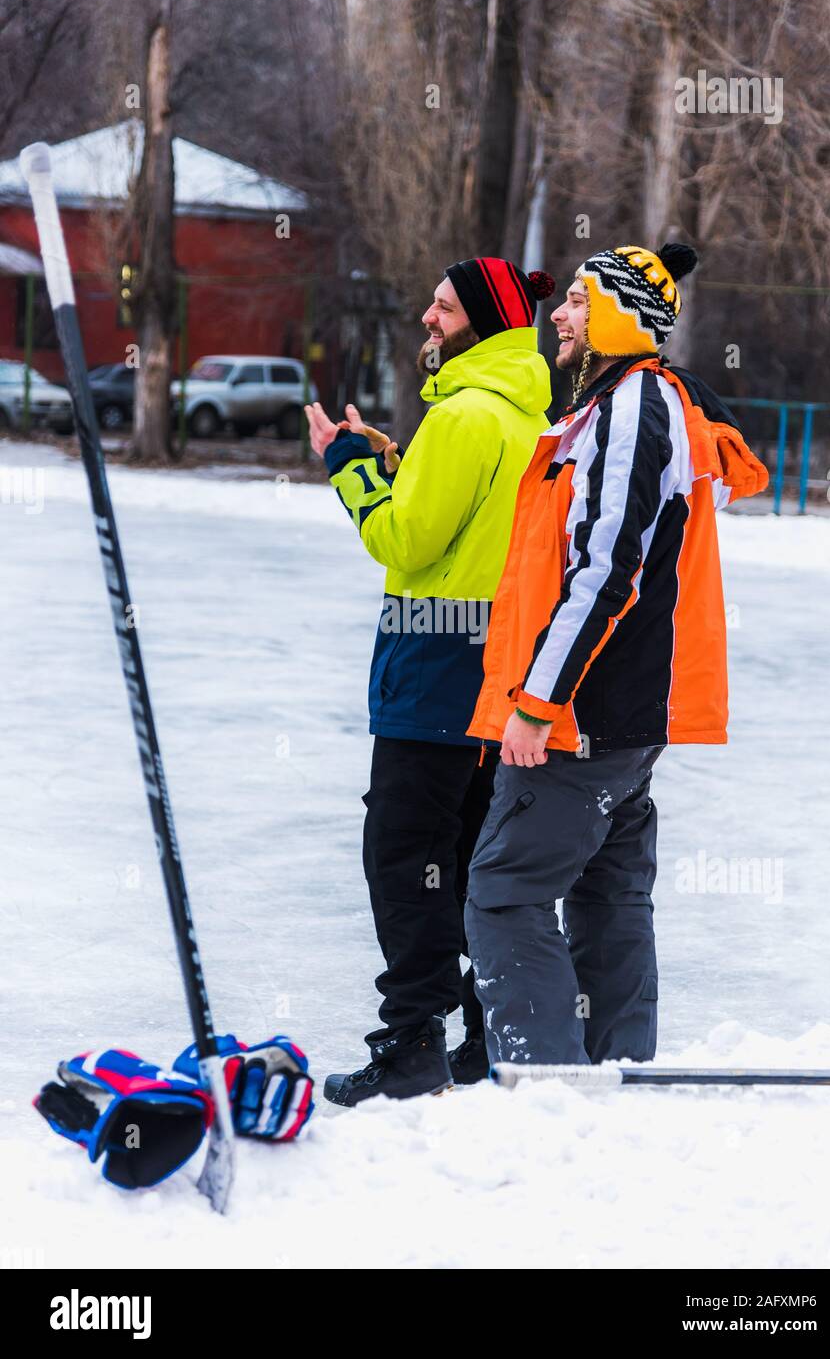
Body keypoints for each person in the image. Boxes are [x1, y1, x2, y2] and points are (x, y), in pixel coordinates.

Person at [464, 242, 769, 1069]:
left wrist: (536, 701)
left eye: (573, 301)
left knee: (504, 893)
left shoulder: (633, 409)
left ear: (614, 315)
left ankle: (545, 1080)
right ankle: (616, 1072)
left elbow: (605, 571)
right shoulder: (620, 404)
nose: (557, 315)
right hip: (622, 713)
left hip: (587, 710)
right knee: (606, 892)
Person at [305, 258, 555, 1103]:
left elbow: (407, 543)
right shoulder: (527, 415)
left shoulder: (464, 416)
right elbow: (477, 520)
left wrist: (349, 466)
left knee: (403, 852)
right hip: (503, 663)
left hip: (436, 657)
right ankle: (489, 1034)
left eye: (444, 308)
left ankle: (413, 1038)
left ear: (481, 323)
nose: (426, 316)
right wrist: (399, 457)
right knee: (474, 852)